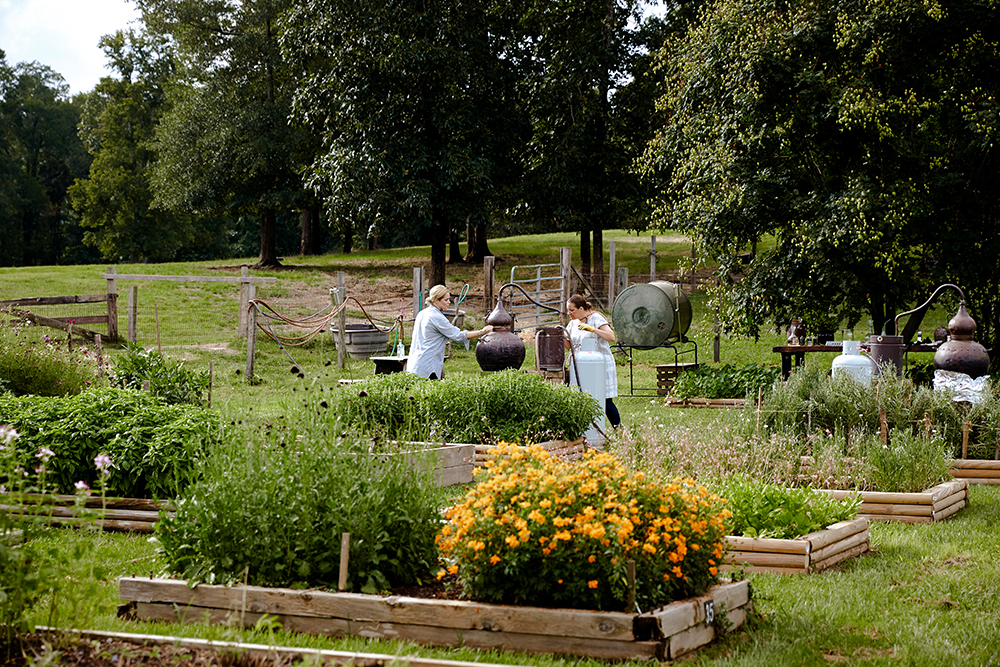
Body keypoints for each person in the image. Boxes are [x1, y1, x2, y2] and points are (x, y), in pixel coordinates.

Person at [406, 285, 493, 379]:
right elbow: (458, 336)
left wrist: (441, 340)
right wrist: (482, 332)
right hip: (428, 365)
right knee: (429, 392)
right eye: (446, 300)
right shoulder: (436, 317)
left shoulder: (423, 313)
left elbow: (426, 336)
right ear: (436, 300)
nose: (449, 302)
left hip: (415, 362)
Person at [564, 294, 621, 428]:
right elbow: (570, 347)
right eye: (568, 310)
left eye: (572, 310)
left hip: (600, 364)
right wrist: (563, 338)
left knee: (605, 399)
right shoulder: (572, 324)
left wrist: (593, 329)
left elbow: (611, 337)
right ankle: (585, 430)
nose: (569, 313)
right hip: (581, 365)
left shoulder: (596, 318)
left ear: (581, 308)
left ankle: (618, 430)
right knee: (581, 397)